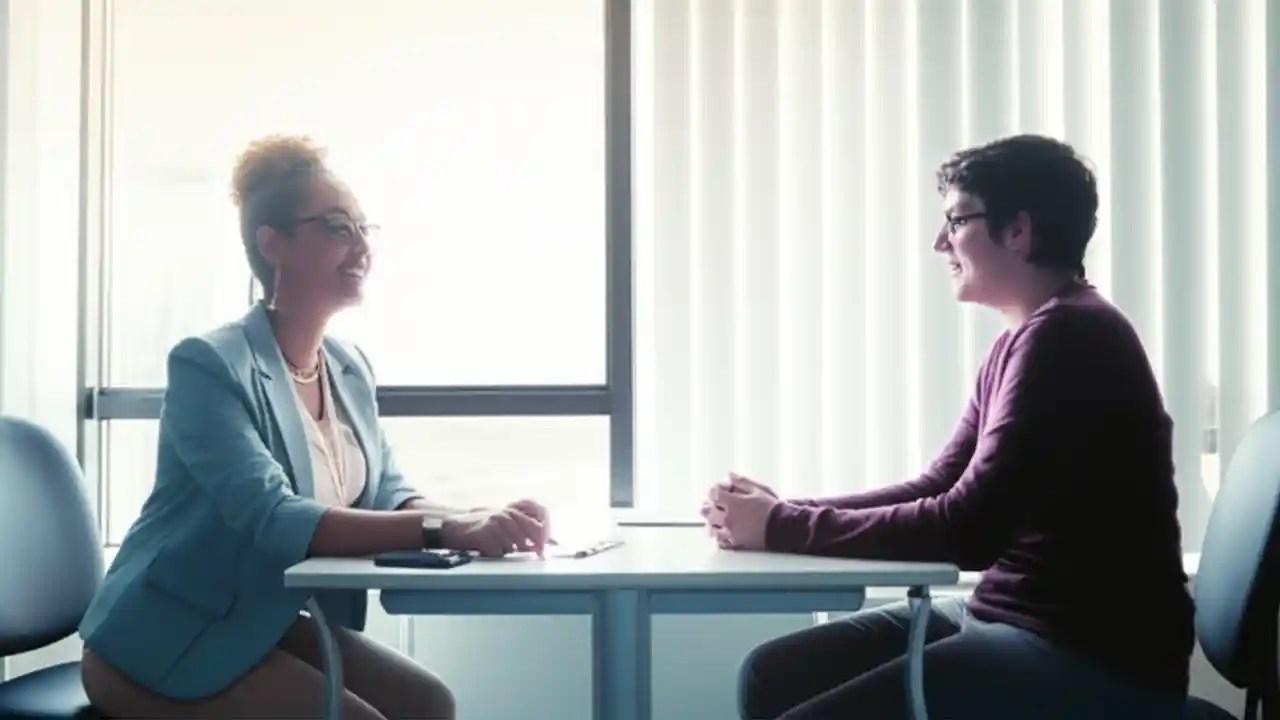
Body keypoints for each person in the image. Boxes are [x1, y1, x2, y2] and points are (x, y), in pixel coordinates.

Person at [704, 135, 1194, 719]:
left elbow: (968, 529)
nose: (941, 241)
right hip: (1009, 617)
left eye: (957, 220)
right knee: (772, 675)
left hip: (1087, 654)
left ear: (1019, 230)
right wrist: (782, 511)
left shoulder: (1068, 339)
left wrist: (783, 525)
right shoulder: (1027, 337)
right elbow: (940, 484)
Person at [78, 135, 553, 719]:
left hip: (256, 621)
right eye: (336, 227)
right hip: (162, 636)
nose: (360, 245)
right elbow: (275, 517)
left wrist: (479, 517)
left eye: (362, 228)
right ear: (272, 244)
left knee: (428, 705)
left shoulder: (349, 367)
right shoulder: (208, 364)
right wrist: (447, 532)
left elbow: (387, 494)